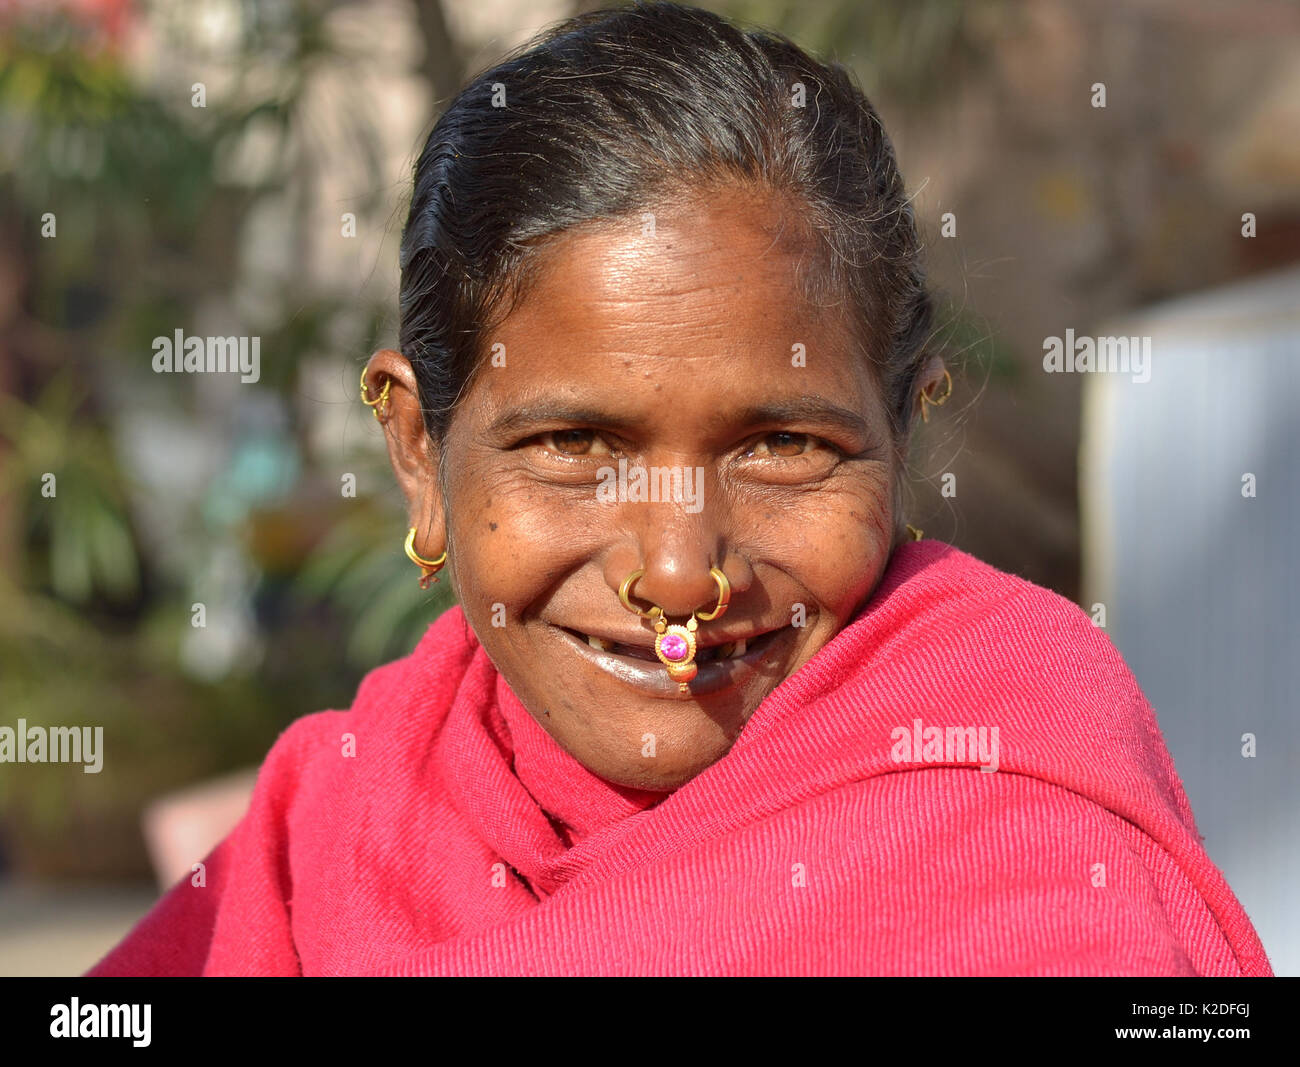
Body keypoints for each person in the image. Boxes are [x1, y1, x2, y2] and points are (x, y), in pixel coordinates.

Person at [87, 0, 1271, 976]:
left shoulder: (1012, 819)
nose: (675, 576)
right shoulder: (331, 826)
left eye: (783, 448)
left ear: (902, 435)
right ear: (420, 457)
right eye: (572, 445)